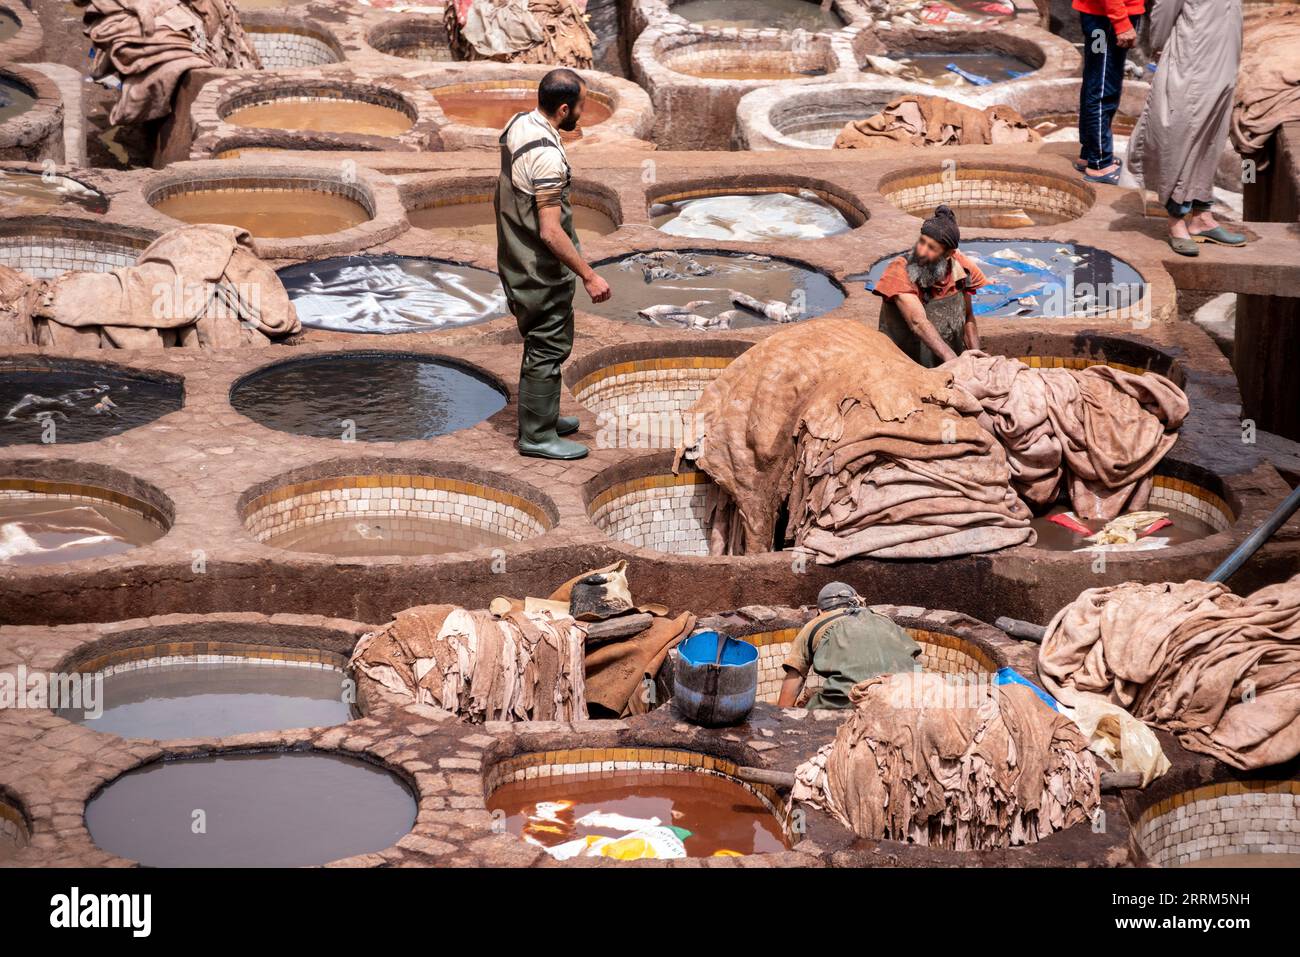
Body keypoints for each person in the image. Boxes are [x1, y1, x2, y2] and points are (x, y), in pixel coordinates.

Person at [495, 67, 611, 460]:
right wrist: (589, 275)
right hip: (537, 268)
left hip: (516, 255)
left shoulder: (519, 123)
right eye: (580, 104)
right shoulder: (547, 158)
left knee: (546, 343)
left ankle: (543, 415)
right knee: (548, 345)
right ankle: (537, 435)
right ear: (563, 109)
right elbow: (550, 231)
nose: (583, 110)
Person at [1126, 0, 1246, 256]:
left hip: (1224, 58)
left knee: (1211, 139)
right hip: (1191, 56)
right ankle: (1176, 220)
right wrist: (1158, 46)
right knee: (1180, 134)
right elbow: (1164, 9)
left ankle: (1202, 216)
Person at [777, 582, 922, 711]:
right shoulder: (885, 620)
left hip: (850, 704)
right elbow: (915, 660)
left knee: (807, 714)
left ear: (820, 611)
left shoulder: (815, 624)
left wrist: (779, 718)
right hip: (905, 698)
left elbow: (795, 677)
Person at [870, 205, 985, 367]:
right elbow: (918, 322)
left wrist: (978, 360)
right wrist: (953, 361)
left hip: (947, 364)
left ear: (949, 254)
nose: (922, 251)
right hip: (903, 368)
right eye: (922, 242)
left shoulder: (962, 270)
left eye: (931, 248)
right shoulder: (899, 270)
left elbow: (968, 317)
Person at [1073, 0, 1145, 184]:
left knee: (1095, 79)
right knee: (1103, 86)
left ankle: (1090, 153)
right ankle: (1099, 163)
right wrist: (1121, 22)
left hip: (1102, 16)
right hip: (1107, 19)